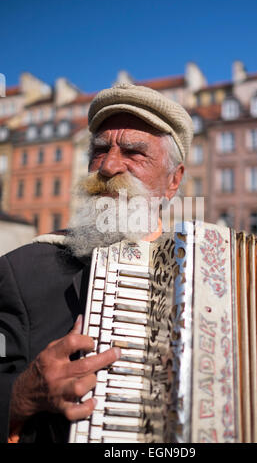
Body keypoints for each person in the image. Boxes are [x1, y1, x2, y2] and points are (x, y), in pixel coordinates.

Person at [0, 84, 193, 443]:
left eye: (134, 153)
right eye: (100, 150)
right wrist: (20, 396)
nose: (107, 166)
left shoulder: (208, 282)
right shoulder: (22, 270)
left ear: (173, 180)